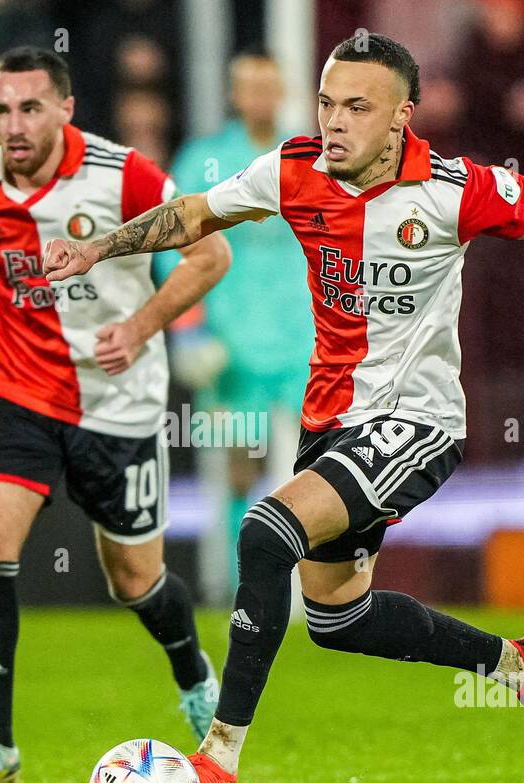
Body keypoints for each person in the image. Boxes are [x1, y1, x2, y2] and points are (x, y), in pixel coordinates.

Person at [45, 33, 524, 783]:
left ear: (401, 117)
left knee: (265, 531)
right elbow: (195, 213)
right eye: (327, 102)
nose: (334, 121)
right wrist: (100, 249)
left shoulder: (452, 188)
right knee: (338, 619)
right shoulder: (294, 170)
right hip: (331, 419)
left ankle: (218, 757)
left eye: (356, 107)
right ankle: (521, 665)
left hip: (418, 421)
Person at [0, 47, 232, 783]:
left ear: (65, 110)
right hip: (14, 393)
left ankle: (192, 675)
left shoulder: (124, 177)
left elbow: (211, 253)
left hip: (120, 406)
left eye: (29, 108)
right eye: (0, 110)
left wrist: (143, 325)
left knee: (136, 581)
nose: (14, 126)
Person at [163, 51, 314, 602]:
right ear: (234, 94)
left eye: (268, 86)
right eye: (248, 86)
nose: (259, 97)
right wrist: (191, 326)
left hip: (307, 341)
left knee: (320, 467)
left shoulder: (312, 158)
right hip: (232, 345)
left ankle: (321, 595)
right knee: (239, 470)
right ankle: (243, 593)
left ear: (283, 91)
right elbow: (176, 247)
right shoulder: (204, 160)